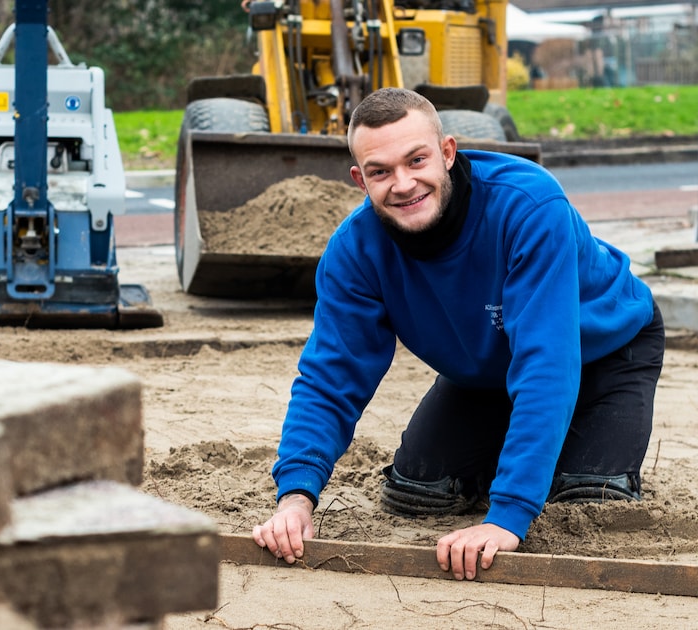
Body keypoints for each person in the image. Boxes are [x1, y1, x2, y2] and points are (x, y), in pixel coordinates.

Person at [251, 87, 665, 581]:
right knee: (418, 491)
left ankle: (556, 459)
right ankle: (526, 452)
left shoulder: (530, 206)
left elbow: (546, 364)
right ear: (360, 179)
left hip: (606, 352)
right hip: (486, 372)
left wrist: (508, 515)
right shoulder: (354, 251)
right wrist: (296, 497)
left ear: (447, 153)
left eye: (417, 160)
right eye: (381, 171)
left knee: (587, 499)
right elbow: (329, 378)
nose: (403, 184)